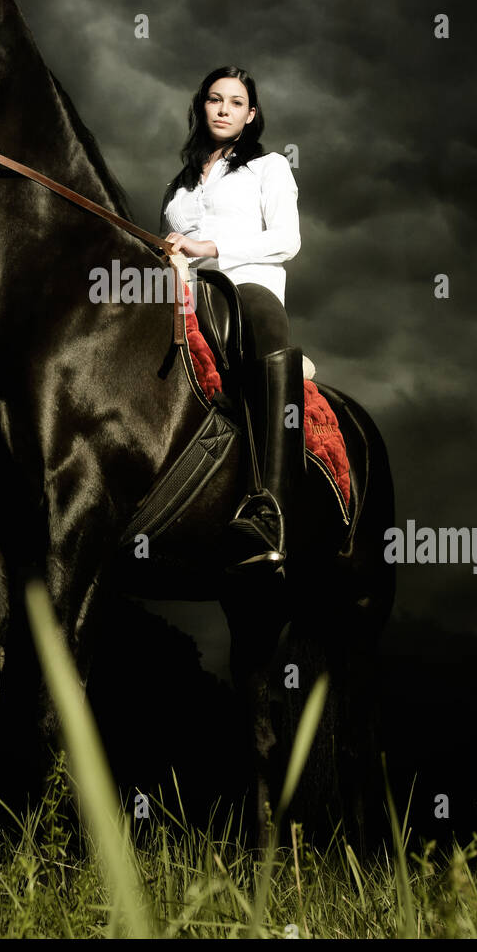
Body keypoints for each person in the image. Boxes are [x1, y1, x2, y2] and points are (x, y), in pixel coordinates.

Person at [160, 65, 305, 572]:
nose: (223, 109)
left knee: (260, 313)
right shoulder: (176, 188)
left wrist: (209, 247)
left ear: (251, 115)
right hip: (184, 296)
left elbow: (287, 241)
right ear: (202, 106)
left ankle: (271, 510)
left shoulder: (269, 169)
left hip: (246, 295)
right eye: (215, 99)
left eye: (236, 102)